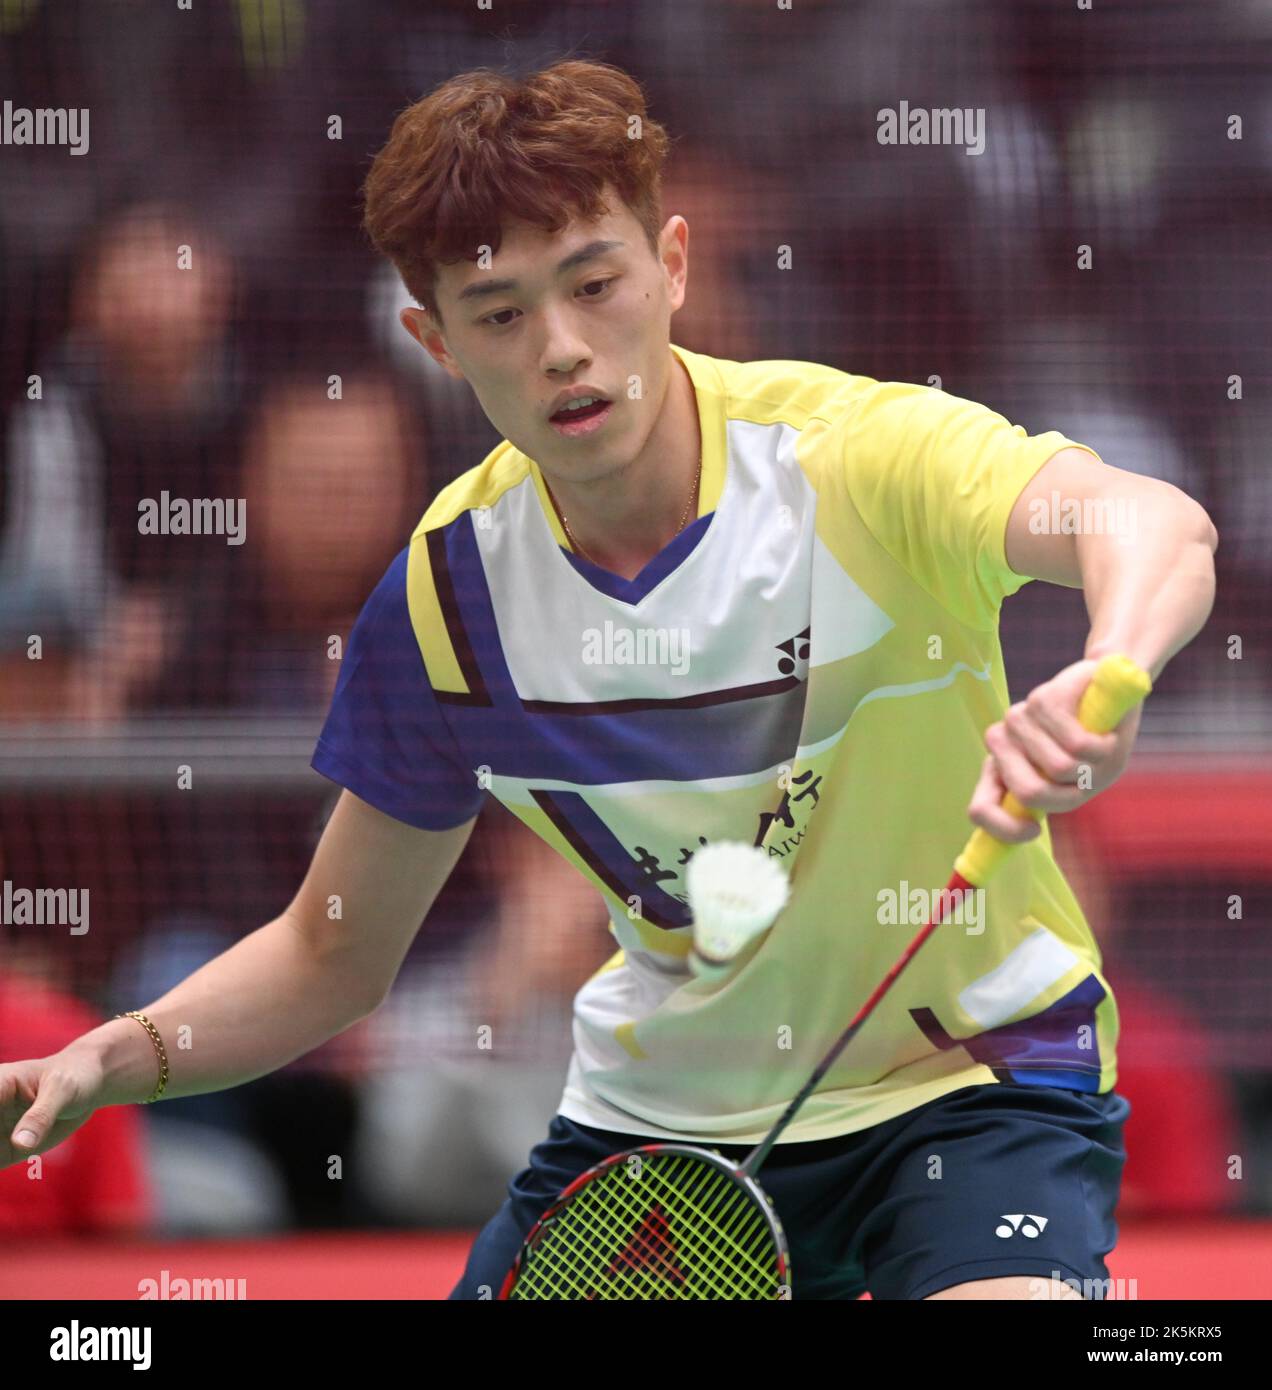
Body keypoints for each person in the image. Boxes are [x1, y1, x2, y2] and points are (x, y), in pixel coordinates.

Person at [0, 59, 1218, 1300]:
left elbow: (1152, 523)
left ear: (671, 265)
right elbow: (330, 956)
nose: (565, 350)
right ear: (435, 340)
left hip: (971, 1079)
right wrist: (119, 1053)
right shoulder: (451, 603)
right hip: (663, 1133)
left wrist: (1107, 669)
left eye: (595, 284)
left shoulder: (859, 463)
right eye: (501, 312)